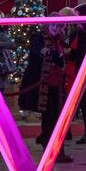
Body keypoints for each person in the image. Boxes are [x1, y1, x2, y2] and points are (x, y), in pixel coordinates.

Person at [32, 24, 72, 163]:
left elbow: (62, 57)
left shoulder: (59, 40)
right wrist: (52, 54)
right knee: (49, 117)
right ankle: (48, 146)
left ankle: (56, 148)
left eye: (60, 27)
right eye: (55, 25)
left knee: (58, 117)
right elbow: (38, 51)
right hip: (45, 84)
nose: (58, 29)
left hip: (58, 84)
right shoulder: (40, 37)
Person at [60, 8, 86, 145]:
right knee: (65, 105)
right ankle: (66, 133)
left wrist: (68, 51)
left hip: (79, 74)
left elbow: (80, 54)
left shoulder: (81, 34)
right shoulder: (70, 33)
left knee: (84, 104)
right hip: (69, 73)